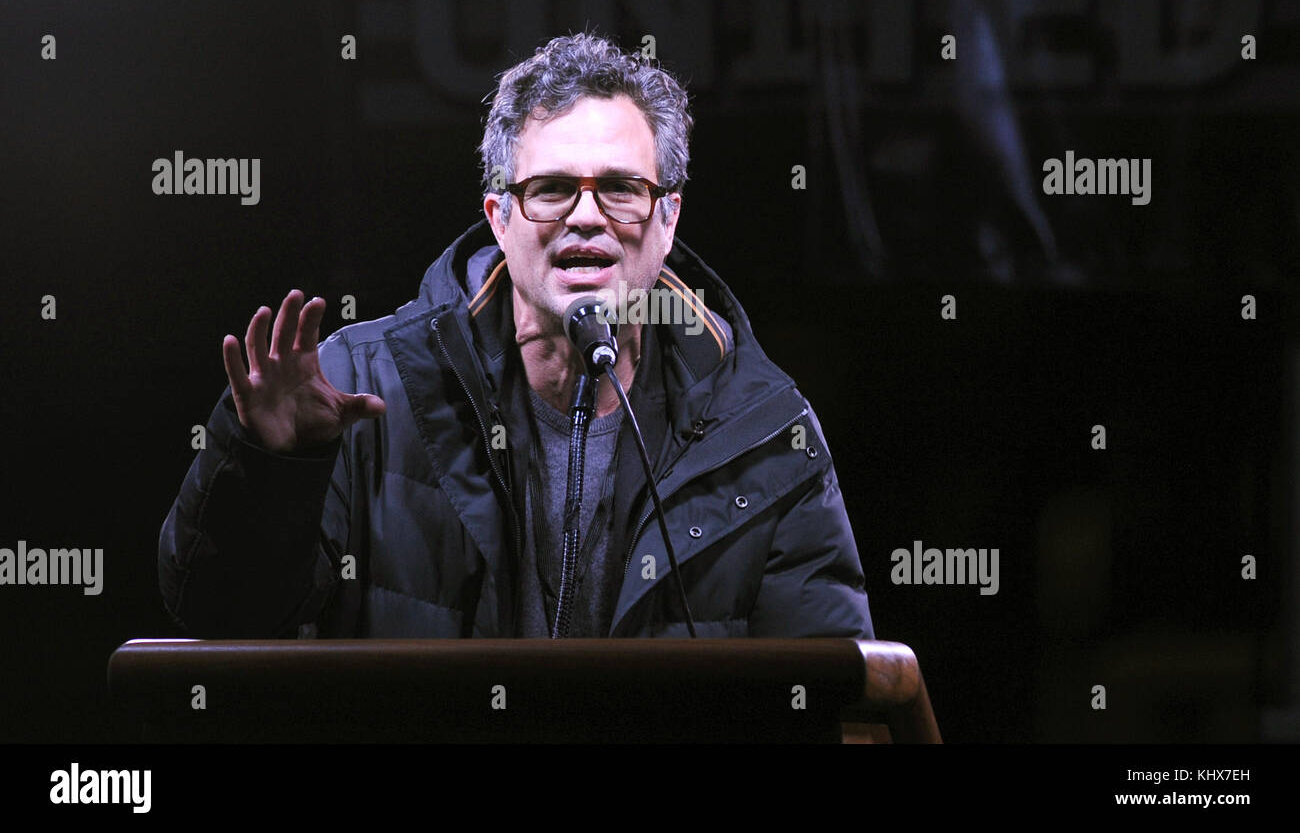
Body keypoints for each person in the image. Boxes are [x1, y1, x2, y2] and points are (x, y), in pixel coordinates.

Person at [158, 32, 874, 640]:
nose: (587, 216)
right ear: (500, 217)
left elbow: (828, 696)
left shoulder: (766, 431)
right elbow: (221, 620)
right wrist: (270, 471)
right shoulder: (355, 387)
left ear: (668, 220)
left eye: (621, 189)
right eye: (553, 188)